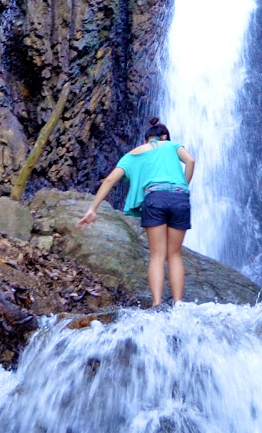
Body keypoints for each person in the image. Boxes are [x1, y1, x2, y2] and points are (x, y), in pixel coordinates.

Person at [78, 117, 195, 307]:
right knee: (174, 254)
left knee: (157, 255)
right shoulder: (171, 145)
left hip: (155, 197)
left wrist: (93, 208)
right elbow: (190, 160)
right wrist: (183, 184)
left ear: (146, 140)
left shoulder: (133, 154)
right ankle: (179, 303)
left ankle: (157, 303)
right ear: (164, 136)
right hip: (179, 197)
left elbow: (109, 180)